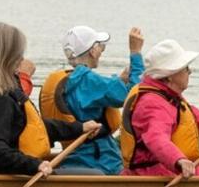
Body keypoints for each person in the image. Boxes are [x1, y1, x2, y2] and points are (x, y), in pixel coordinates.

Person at [0, 22, 94, 176]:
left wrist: (79, 128)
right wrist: (34, 165)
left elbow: (28, 127)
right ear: (7, 57)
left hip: (12, 171)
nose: (22, 58)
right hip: (7, 178)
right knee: (97, 176)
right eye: (18, 53)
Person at [122, 39, 199, 177]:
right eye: (186, 68)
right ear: (170, 76)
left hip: (171, 170)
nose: (190, 72)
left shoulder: (168, 97)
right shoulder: (153, 104)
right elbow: (156, 137)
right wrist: (179, 160)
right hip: (157, 174)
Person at [43, 25, 144, 175]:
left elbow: (97, 91)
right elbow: (134, 95)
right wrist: (135, 54)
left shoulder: (69, 80)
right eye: (100, 47)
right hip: (101, 161)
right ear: (92, 51)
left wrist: (119, 80)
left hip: (75, 157)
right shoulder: (88, 81)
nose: (101, 50)